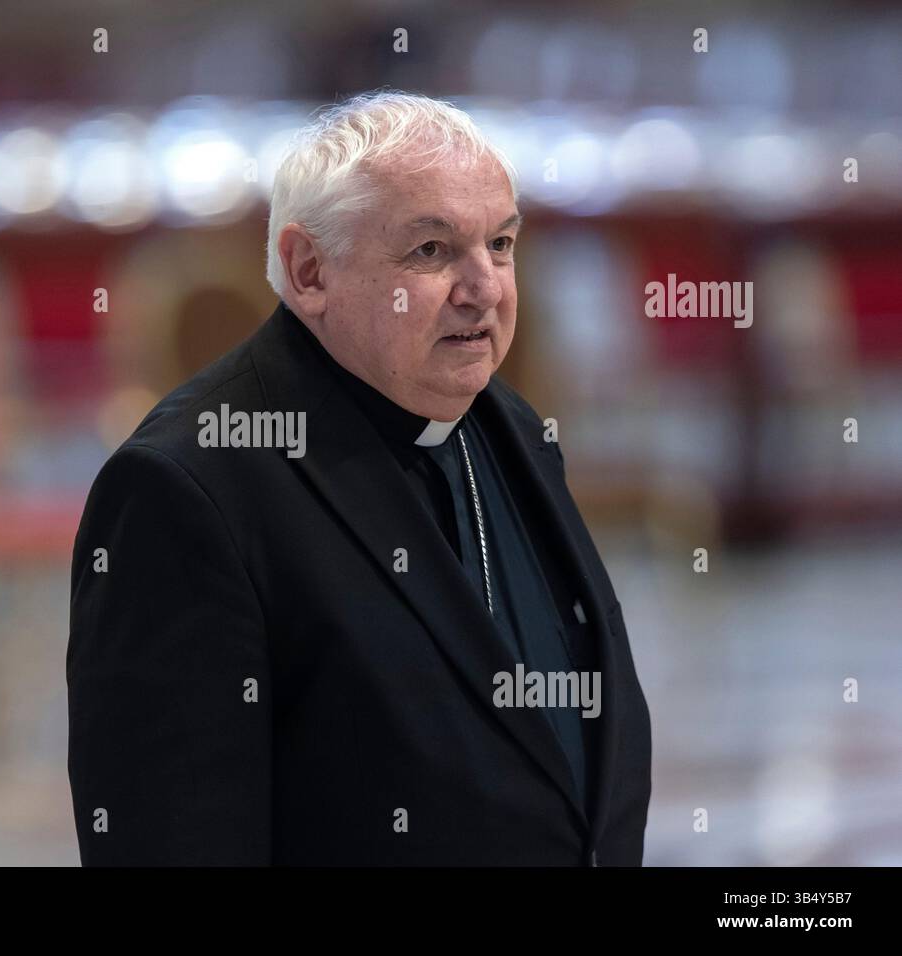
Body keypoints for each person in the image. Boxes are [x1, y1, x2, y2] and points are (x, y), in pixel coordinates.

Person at [67, 90, 651, 865]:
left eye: (501, 244)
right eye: (433, 251)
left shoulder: (506, 426)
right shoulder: (186, 490)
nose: (487, 288)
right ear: (309, 270)